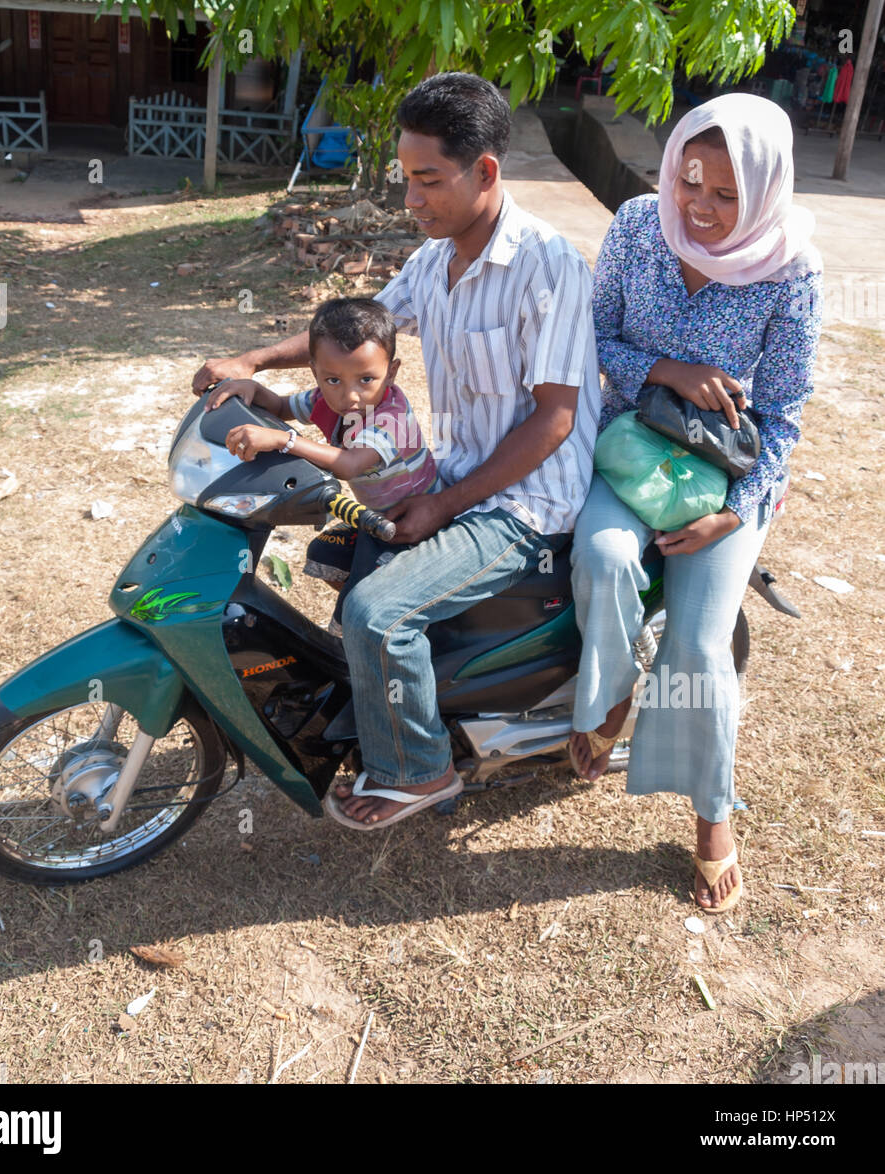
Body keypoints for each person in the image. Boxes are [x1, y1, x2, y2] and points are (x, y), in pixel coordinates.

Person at [193, 72, 601, 829]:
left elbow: (553, 423)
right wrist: (251, 362)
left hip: (525, 504)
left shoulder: (546, 266)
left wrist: (443, 502)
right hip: (457, 473)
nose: (410, 199)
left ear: (484, 172)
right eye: (404, 178)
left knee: (379, 612)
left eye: (427, 181)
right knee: (344, 563)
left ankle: (418, 771)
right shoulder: (435, 257)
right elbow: (357, 332)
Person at [568, 93, 822, 913]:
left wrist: (733, 514)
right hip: (629, 448)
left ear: (765, 193)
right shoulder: (640, 224)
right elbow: (590, 336)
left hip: (718, 481)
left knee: (701, 644)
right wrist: (666, 370)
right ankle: (607, 702)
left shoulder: (792, 271)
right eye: (691, 183)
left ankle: (712, 816)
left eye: (725, 195)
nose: (701, 209)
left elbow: (780, 414)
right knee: (603, 555)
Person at [221, 296, 439, 635]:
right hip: (376, 518)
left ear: (392, 372)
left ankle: (365, 647)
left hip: (410, 526)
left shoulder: (391, 418)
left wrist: (284, 441)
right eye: (333, 380)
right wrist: (252, 387)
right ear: (315, 372)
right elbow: (280, 405)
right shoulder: (326, 399)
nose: (349, 396)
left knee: (360, 609)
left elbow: (350, 464)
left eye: (366, 379)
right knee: (325, 552)